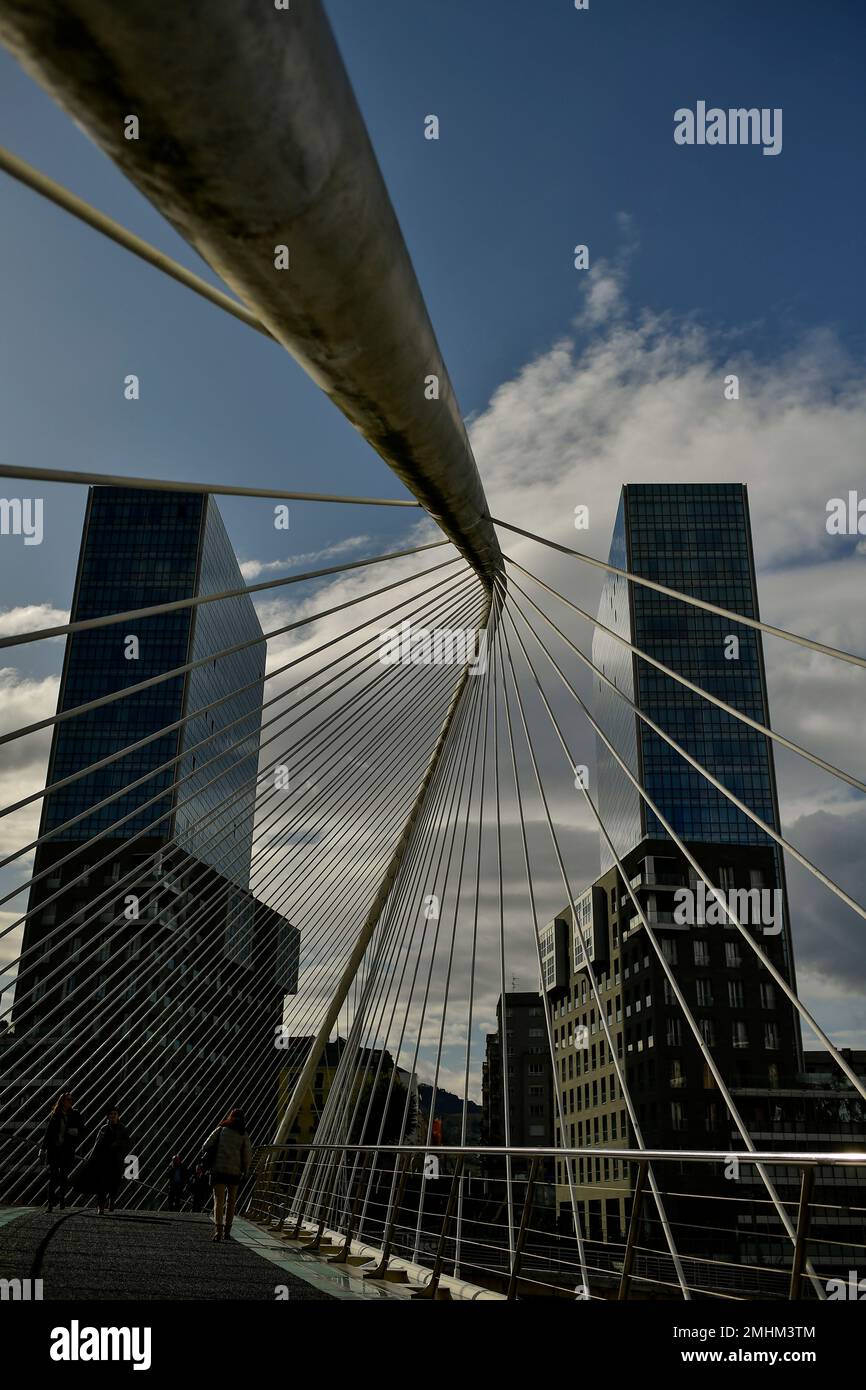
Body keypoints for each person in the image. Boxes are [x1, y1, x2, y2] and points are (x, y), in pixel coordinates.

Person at [201, 1106, 251, 1242]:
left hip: (218, 1170)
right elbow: (247, 1156)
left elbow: (205, 1145)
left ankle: (218, 1231)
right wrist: (246, 1171)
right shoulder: (243, 1134)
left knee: (218, 1201)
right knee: (231, 1202)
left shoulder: (221, 1129)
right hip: (235, 1172)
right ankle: (228, 1232)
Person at [73, 1105, 130, 1215]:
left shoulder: (122, 1129)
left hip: (116, 1161)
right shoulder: (103, 1128)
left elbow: (127, 1144)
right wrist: (92, 1159)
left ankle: (111, 1201)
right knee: (102, 1184)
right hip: (103, 1161)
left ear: (118, 1116)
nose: (113, 1116)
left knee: (114, 1183)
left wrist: (118, 1147)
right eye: (111, 1114)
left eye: (115, 1114)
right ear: (107, 1117)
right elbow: (97, 1144)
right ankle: (101, 1206)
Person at [41, 1091, 85, 1213]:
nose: (70, 1102)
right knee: (53, 1176)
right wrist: (42, 1148)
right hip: (54, 1150)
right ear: (62, 1101)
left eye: (71, 1099)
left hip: (67, 1150)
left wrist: (74, 1132)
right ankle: (50, 1203)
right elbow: (48, 1133)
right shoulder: (55, 1114)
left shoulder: (76, 1114)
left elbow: (82, 1130)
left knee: (64, 1176)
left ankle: (61, 1199)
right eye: (68, 1099)